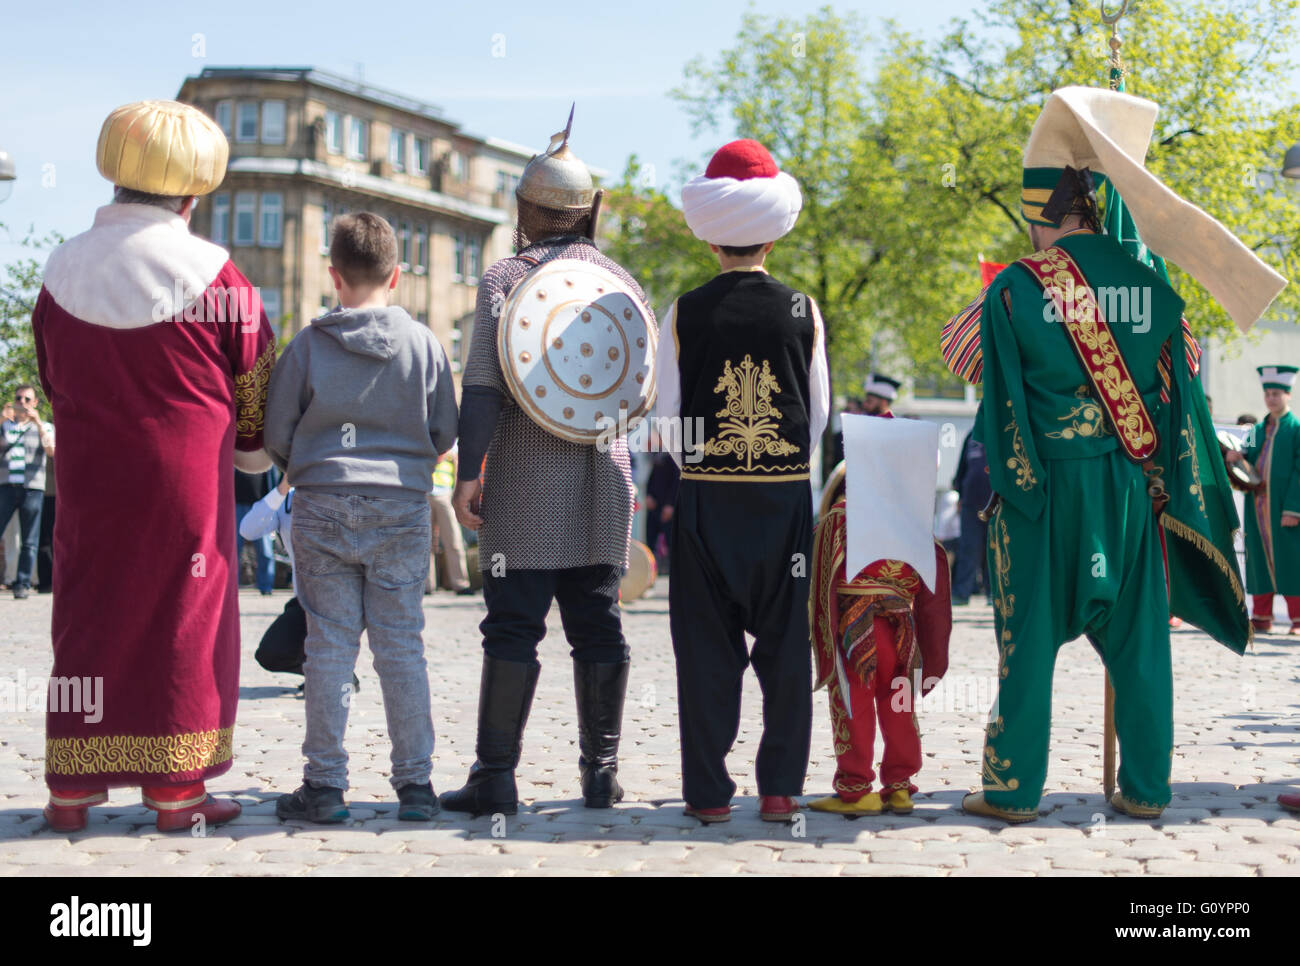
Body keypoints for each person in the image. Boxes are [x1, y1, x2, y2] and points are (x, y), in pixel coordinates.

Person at [943, 86, 1282, 823]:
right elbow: (1180, 393)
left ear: (1041, 213)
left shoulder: (1011, 292)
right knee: (1137, 648)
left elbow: (975, 374)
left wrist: (1016, 481)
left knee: (1027, 642)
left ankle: (1014, 789)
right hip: (1128, 489)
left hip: (1041, 492)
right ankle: (1147, 789)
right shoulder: (1154, 291)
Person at [33, 100, 274, 832]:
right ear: (192, 194)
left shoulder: (61, 269)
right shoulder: (215, 274)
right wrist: (251, 450)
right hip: (184, 480)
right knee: (183, 614)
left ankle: (72, 788)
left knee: (85, 610)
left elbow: (50, 370)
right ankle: (176, 789)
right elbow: (255, 376)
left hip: (90, 476)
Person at [443, 112, 654, 817]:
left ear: (524, 212)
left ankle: (495, 777)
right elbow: (638, 391)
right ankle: (601, 775)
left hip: (525, 483)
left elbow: (481, 388)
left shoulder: (506, 276)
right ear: (588, 210)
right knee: (597, 623)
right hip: (600, 481)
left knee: (513, 627)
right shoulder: (623, 281)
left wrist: (469, 474)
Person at [655, 138, 829, 824]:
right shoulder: (803, 310)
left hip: (706, 500)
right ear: (772, 238)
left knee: (704, 649)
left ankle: (707, 795)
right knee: (787, 647)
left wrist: (705, 467)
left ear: (712, 240)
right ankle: (781, 788)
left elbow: (666, 420)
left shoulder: (684, 312)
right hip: (783, 499)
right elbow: (814, 415)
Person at [265, 212, 458, 824]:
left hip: (322, 503)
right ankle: (417, 787)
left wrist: (314, 461)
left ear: (334, 275)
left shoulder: (309, 344)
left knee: (328, 646)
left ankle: (324, 786)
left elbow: (276, 431)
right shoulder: (424, 343)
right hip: (400, 506)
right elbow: (444, 431)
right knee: (401, 647)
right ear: (397, 275)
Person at [808, 472, 951, 815]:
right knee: (899, 705)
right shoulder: (911, 521)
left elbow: (820, 573)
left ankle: (857, 789)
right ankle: (900, 787)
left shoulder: (840, 518)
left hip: (856, 629)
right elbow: (935, 586)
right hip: (903, 629)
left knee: (852, 705)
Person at [238, 475, 362, 694]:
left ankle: (332, 673)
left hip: (342, 598)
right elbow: (248, 529)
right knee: (269, 654)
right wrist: (281, 489)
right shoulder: (287, 501)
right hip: (305, 599)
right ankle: (325, 672)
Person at [1228, 366, 1300, 634]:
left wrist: (1294, 508)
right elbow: (1247, 460)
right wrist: (1236, 459)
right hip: (1258, 507)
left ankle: (1297, 618)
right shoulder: (1257, 429)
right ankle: (1261, 615)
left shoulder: (1296, 430)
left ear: (1288, 395)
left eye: (1277, 393)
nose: (1271, 398)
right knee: (1258, 559)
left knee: (1292, 560)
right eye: (1268, 394)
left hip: (1284, 508)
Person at [1, 384, 53, 599]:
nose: (22, 403)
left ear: (35, 403)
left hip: (33, 488)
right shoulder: (6, 426)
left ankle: (22, 584)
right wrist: (3, 420)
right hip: (6, 487)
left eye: (26, 399)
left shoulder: (46, 426)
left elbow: (51, 450)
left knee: (30, 541)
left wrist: (38, 423)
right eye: (18, 398)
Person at [951, 427, 992, 605]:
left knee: (994, 549)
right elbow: (962, 468)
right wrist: (959, 493)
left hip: (997, 503)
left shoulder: (1004, 428)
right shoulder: (972, 435)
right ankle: (962, 593)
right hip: (970, 502)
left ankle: (995, 594)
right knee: (969, 547)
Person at [428, 445, 472, 594]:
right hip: (425, 492)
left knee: (454, 541)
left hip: (445, 494)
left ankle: (460, 583)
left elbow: (458, 469)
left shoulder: (453, 444)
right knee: (424, 543)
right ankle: (427, 585)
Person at [235, 467, 276, 595]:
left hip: (261, 506)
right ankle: (231, 586)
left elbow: (273, 483)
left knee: (266, 552)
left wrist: (272, 507)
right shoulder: (234, 454)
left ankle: (266, 587)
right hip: (237, 505)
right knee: (233, 550)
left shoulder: (266, 457)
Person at [643, 449, 679, 567]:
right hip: (654, 505)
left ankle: (670, 568)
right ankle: (651, 569)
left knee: (671, 541)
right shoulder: (659, 455)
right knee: (651, 539)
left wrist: (670, 505)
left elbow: (676, 482)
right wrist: (648, 496)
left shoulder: (675, 456)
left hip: (667, 507)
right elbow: (651, 478)